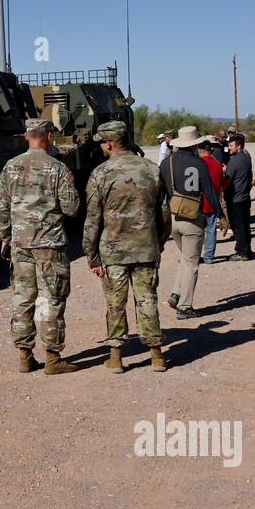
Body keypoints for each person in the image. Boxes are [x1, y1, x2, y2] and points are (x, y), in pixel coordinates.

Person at [82, 120, 170, 374]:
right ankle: (156, 356)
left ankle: (116, 357)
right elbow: (164, 214)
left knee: (115, 304)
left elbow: (92, 219)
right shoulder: (151, 169)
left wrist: (92, 255)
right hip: (145, 249)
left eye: (101, 143)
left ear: (109, 144)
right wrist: (159, 243)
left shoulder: (101, 173)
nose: (101, 147)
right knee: (147, 300)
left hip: (113, 251)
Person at [0, 118, 81, 375]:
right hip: (50, 244)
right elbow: (72, 208)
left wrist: (5, 235)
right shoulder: (58, 168)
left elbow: (2, 209)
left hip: (20, 244)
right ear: (49, 137)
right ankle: (53, 358)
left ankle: (25, 356)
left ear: (26, 136)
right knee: (51, 299)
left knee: (23, 298)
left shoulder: (10, 167)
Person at [158, 125, 224, 319]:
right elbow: (210, 193)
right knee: (192, 263)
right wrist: (220, 215)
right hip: (192, 218)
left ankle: (175, 294)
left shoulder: (166, 163)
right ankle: (185, 307)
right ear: (194, 144)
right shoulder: (199, 164)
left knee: (186, 258)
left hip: (172, 217)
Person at [224, 133, 255, 260]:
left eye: (231, 145)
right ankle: (247, 250)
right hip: (244, 197)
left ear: (239, 146)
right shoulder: (246, 157)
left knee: (238, 226)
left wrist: (221, 187)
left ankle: (242, 252)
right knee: (245, 225)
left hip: (235, 199)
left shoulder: (234, 160)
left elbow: (227, 180)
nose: (229, 148)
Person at [197, 140, 227, 264]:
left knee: (196, 233)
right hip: (213, 202)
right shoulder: (217, 164)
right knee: (211, 231)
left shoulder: (197, 164)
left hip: (198, 203)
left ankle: (193, 256)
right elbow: (220, 185)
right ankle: (209, 256)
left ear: (200, 150)